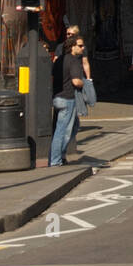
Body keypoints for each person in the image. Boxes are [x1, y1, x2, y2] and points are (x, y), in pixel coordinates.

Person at [49, 35, 87, 167]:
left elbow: (52, 76)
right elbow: (76, 81)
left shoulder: (59, 60)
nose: (83, 48)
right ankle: (56, 160)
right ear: (72, 47)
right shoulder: (74, 61)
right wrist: (85, 83)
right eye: (80, 46)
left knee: (73, 126)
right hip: (67, 98)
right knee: (63, 131)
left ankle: (61, 156)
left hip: (57, 97)